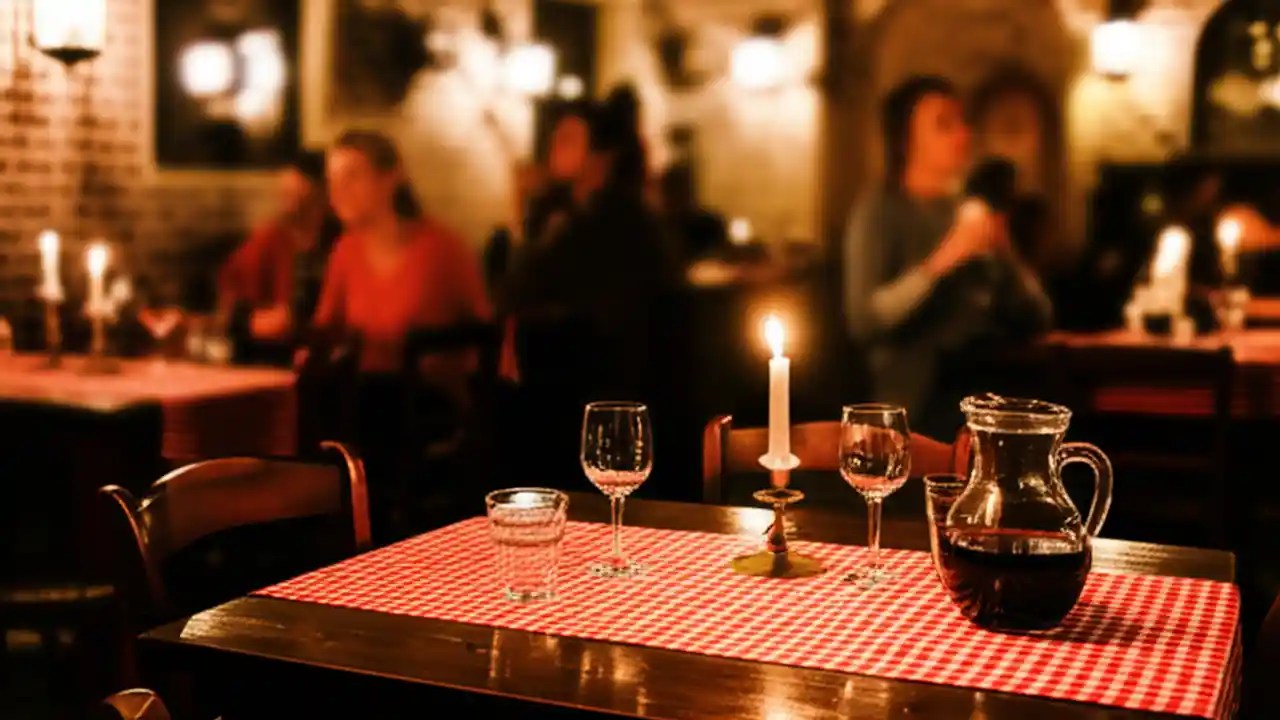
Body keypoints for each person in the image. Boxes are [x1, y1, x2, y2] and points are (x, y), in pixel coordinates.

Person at [843, 76, 1052, 438]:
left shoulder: (968, 210)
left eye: (962, 122)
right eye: (944, 124)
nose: (963, 134)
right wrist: (946, 258)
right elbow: (865, 320)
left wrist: (1006, 253)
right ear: (906, 140)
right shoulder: (880, 210)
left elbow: (1038, 316)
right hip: (918, 399)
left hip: (987, 389)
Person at [311, 130, 492, 382]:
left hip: (430, 404)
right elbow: (324, 330)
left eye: (352, 176)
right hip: (365, 398)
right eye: (332, 180)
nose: (338, 190)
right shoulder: (346, 249)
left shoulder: (442, 248)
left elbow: (486, 332)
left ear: (390, 178)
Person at [217, 151, 339, 364]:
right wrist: (251, 321)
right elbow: (231, 302)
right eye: (285, 192)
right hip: (272, 357)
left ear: (322, 191)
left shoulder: (342, 242)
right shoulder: (268, 240)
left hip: (325, 357)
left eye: (294, 191)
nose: (285, 194)